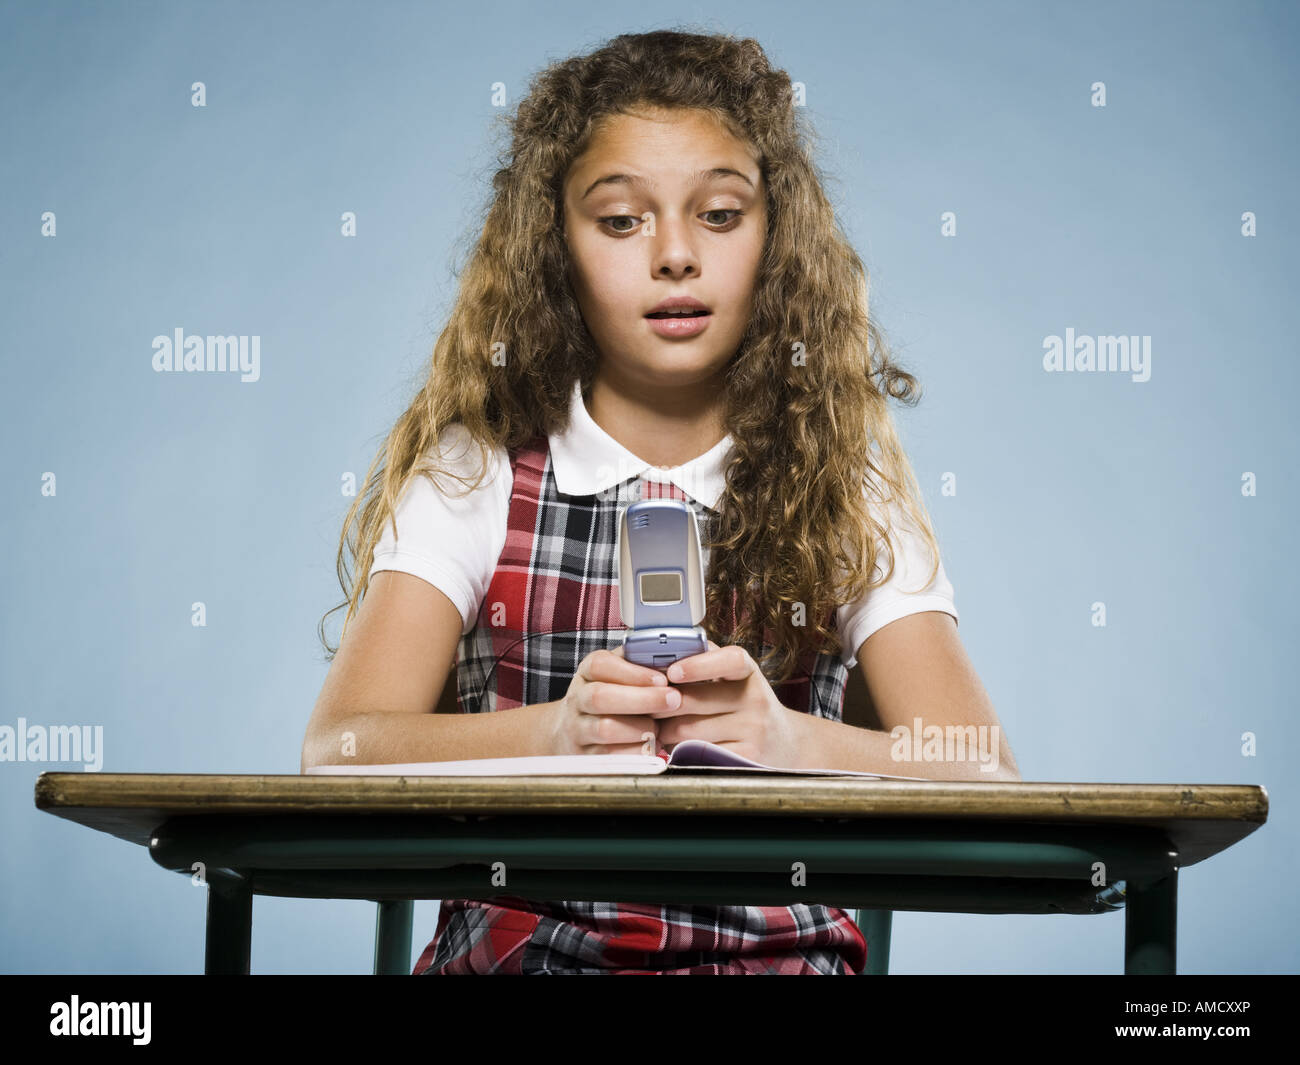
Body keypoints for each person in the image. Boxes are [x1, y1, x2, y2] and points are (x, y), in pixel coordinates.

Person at [302, 28, 1019, 975]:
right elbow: (338, 750)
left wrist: (785, 738)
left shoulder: (846, 482)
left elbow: (982, 767)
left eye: (720, 214)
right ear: (554, 246)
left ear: (776, 235)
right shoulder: (476, 472)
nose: (676, 255)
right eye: (621, 220)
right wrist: (555, 735)